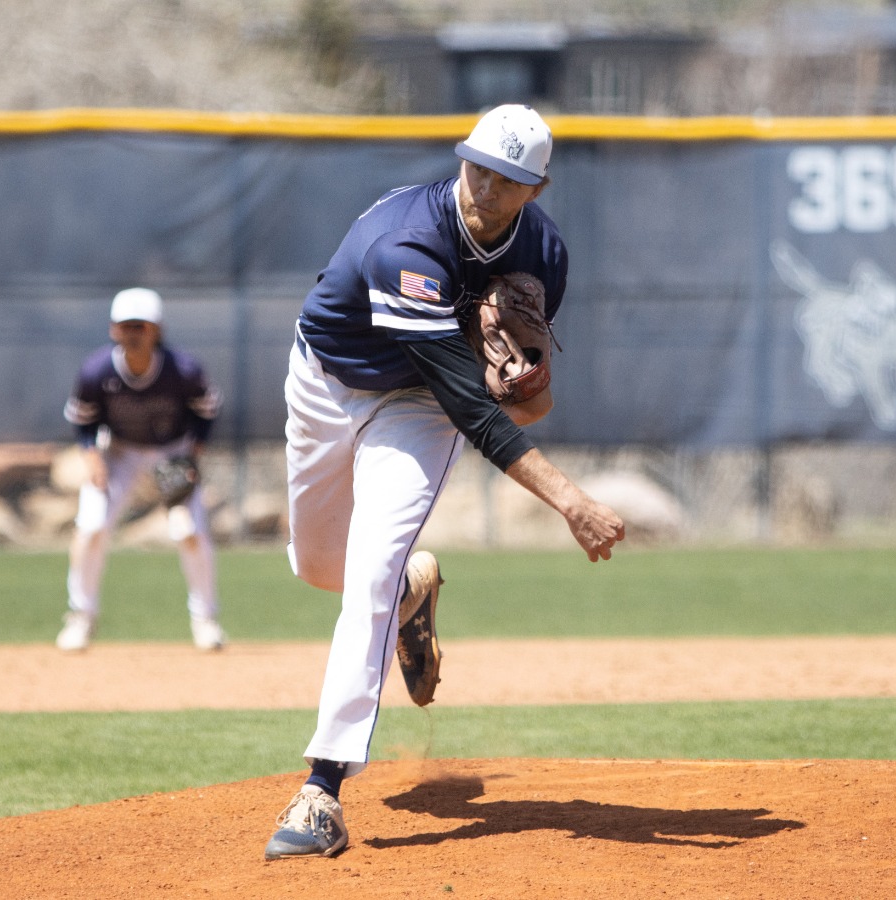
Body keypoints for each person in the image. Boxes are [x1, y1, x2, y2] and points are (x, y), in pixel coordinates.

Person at [263, 105, 626, 860]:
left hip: (418, 409)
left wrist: (524, 378)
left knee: (368, 575)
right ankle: (414, 596)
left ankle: (321, 791)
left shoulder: (545, 251)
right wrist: (573, 500)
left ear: (537, 187)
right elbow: (477, 407)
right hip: (331, 383)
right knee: (317, 568)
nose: (485, 186)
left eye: (508, 179)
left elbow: (520, 401)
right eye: (477, 165)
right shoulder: (408, 242)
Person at [55, 287, 227, 653]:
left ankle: (205, 619)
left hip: (172, 452)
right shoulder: (96, 371)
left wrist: (193, 456)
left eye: (141, 326)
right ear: (113, 330)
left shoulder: (183, 370)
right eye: (125, 326)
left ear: (156, 330)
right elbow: (83, 422)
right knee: (91, 527)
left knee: (189, 531)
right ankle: (81, 616)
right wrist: (91, 457)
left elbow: (206, 412)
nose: (133, 333)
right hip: (119, 451)